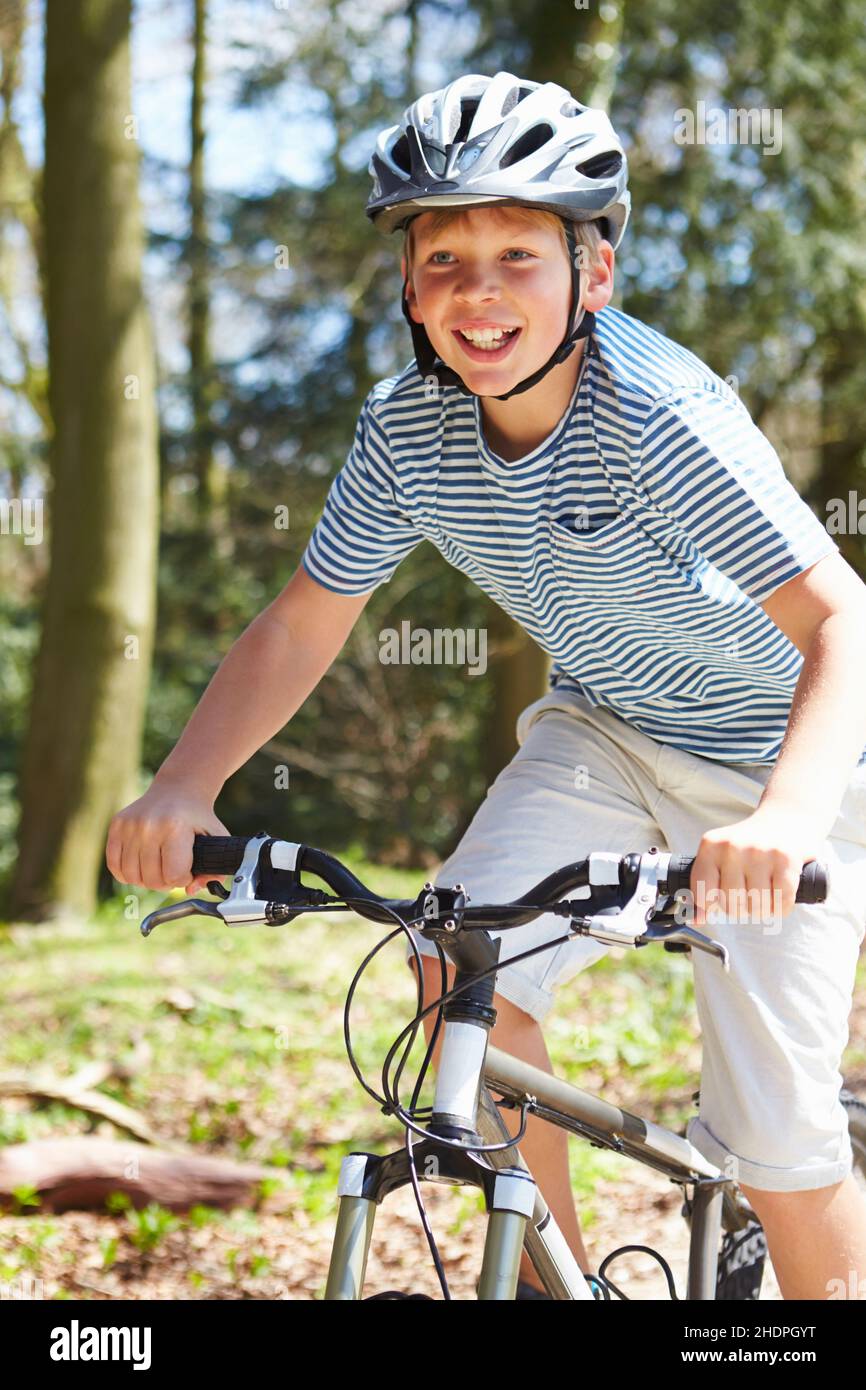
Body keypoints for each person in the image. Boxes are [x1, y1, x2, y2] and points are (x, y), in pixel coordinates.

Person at [107, 71, 866, 1300]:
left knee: (777, 1134)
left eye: (518, 253)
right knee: (452, 959)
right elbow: (303, 621)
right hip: (606, 731)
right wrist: (186, 783)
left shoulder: (659, 415)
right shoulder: (406, 429)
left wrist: (779, 818)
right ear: (408, 286)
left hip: (784, 755)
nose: (479, 290)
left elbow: (841, 616)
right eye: (443, 258)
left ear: (595, 277)